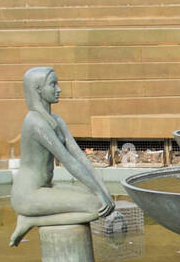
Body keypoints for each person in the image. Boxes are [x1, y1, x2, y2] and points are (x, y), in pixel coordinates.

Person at [9, 67, 114, 248]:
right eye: (53, 84)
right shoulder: (35, 122)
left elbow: (79, 156)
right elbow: (68, 160)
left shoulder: (55, 119)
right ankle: (30, 221)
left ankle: (32, 219)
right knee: (97, 206)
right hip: (27, 195)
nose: (59, 89)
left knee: (102, 200)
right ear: (38, 90)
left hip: (44, 188)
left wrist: (103, 189)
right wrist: (99, 194)